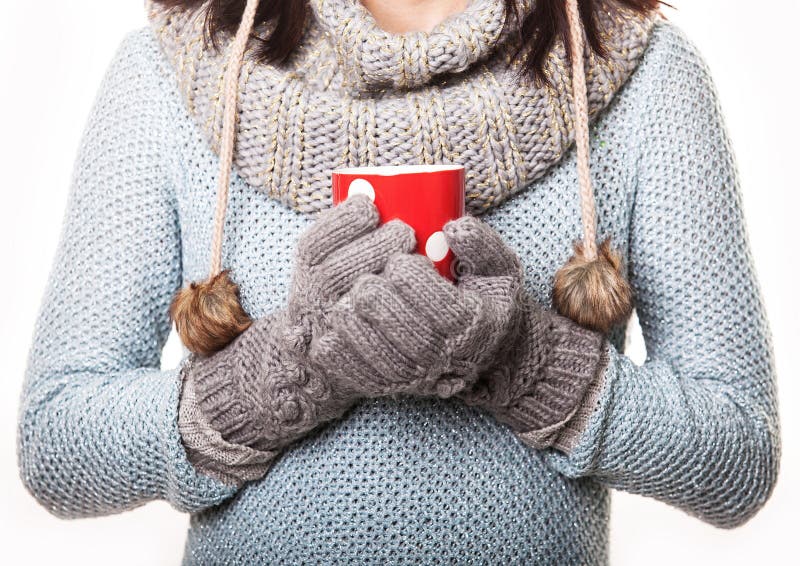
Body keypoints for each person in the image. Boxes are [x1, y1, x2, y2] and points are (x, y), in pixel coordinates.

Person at [17, 0, 780, 563]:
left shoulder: (642, 69)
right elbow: (57, 442)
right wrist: (291, 370)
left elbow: (737, 456)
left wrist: (525, 362)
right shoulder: (175, 69)